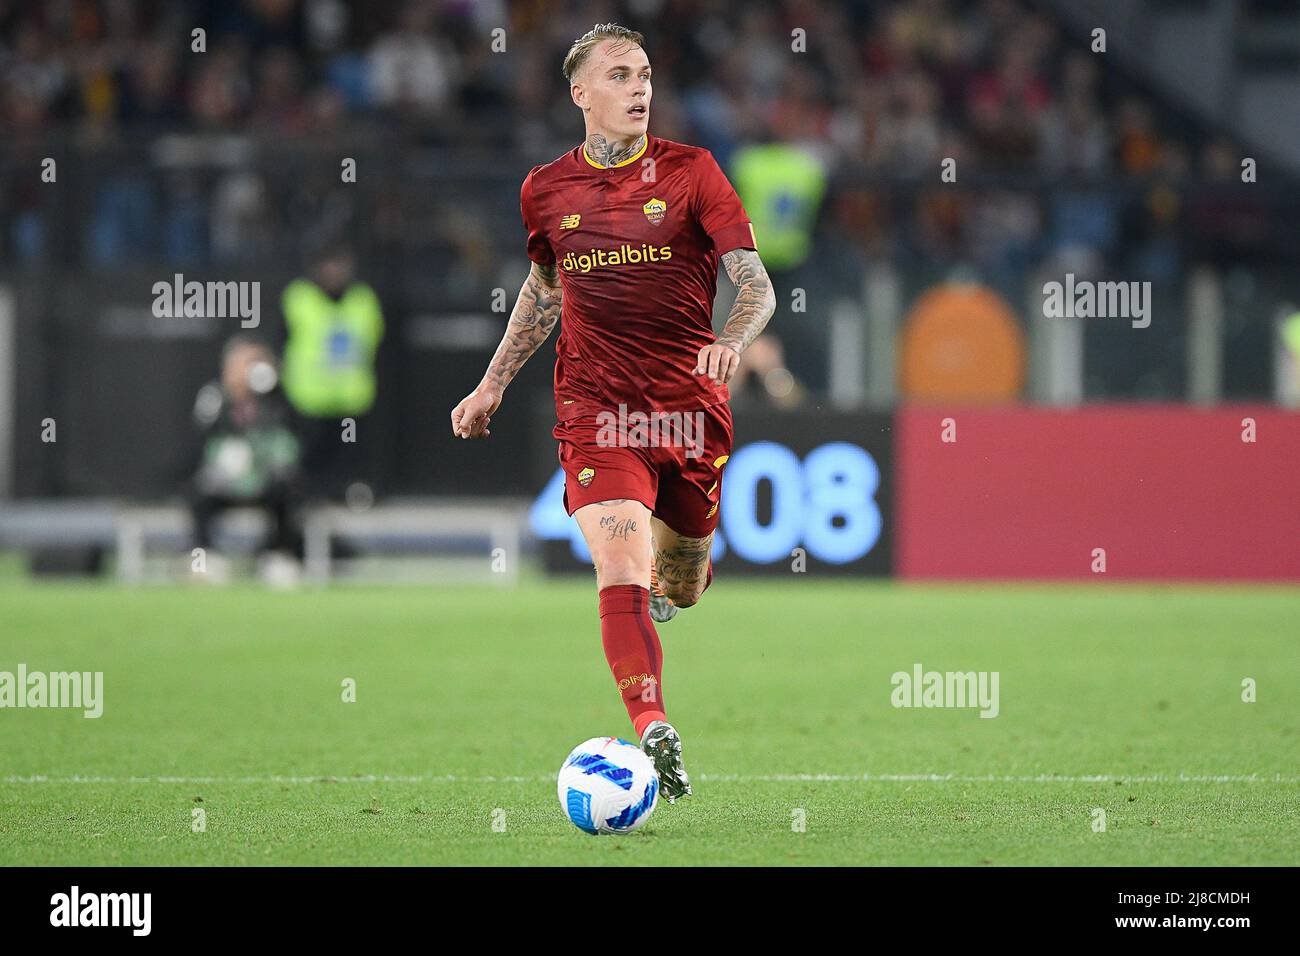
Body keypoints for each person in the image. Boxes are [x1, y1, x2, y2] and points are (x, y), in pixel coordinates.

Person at [450, 24, 775, 803]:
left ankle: (673, 588)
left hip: (688, 415)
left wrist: (730, 341)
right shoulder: (546, 190)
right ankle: (652, 723)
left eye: (646, 74)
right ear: (581, 94)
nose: (639, 89)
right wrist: (492, 382)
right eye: (621, 75)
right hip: (597, 412)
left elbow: (756, 285)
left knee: (685, 583)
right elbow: (543, 292)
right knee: (621, 566)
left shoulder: (695, 173)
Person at [190, 336, 302, 579]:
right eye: (246, 363)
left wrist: (271, 389)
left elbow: (287, 437)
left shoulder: (274, 399)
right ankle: (204, 557)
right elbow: (205, 432)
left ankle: (277, 555)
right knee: (199, 495)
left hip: (263, 479)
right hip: (226, 480)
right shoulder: (215, 396)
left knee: (288, 493)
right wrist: (233, 391)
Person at [280, 241, 384, 500]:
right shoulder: (299, 297)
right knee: (309, 458)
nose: (334, 271)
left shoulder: (363, 299)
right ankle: (305, 496)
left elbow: (375, 340)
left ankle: (348, 494)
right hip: (308, 400)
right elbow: (281, 341)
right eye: (328, 264)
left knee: (348, 457)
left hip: (351, 399)